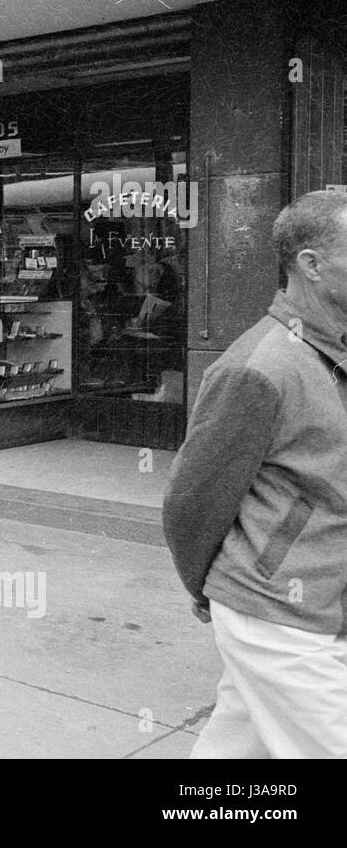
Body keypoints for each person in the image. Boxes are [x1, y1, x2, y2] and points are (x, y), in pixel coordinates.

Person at [163, 189, 347, 758]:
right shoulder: (259, 367)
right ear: (311, 265)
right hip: (279, 614)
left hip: (312, 602)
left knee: (235, 753)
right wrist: (207, 591)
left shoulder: (330, 350)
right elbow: (191, 501)